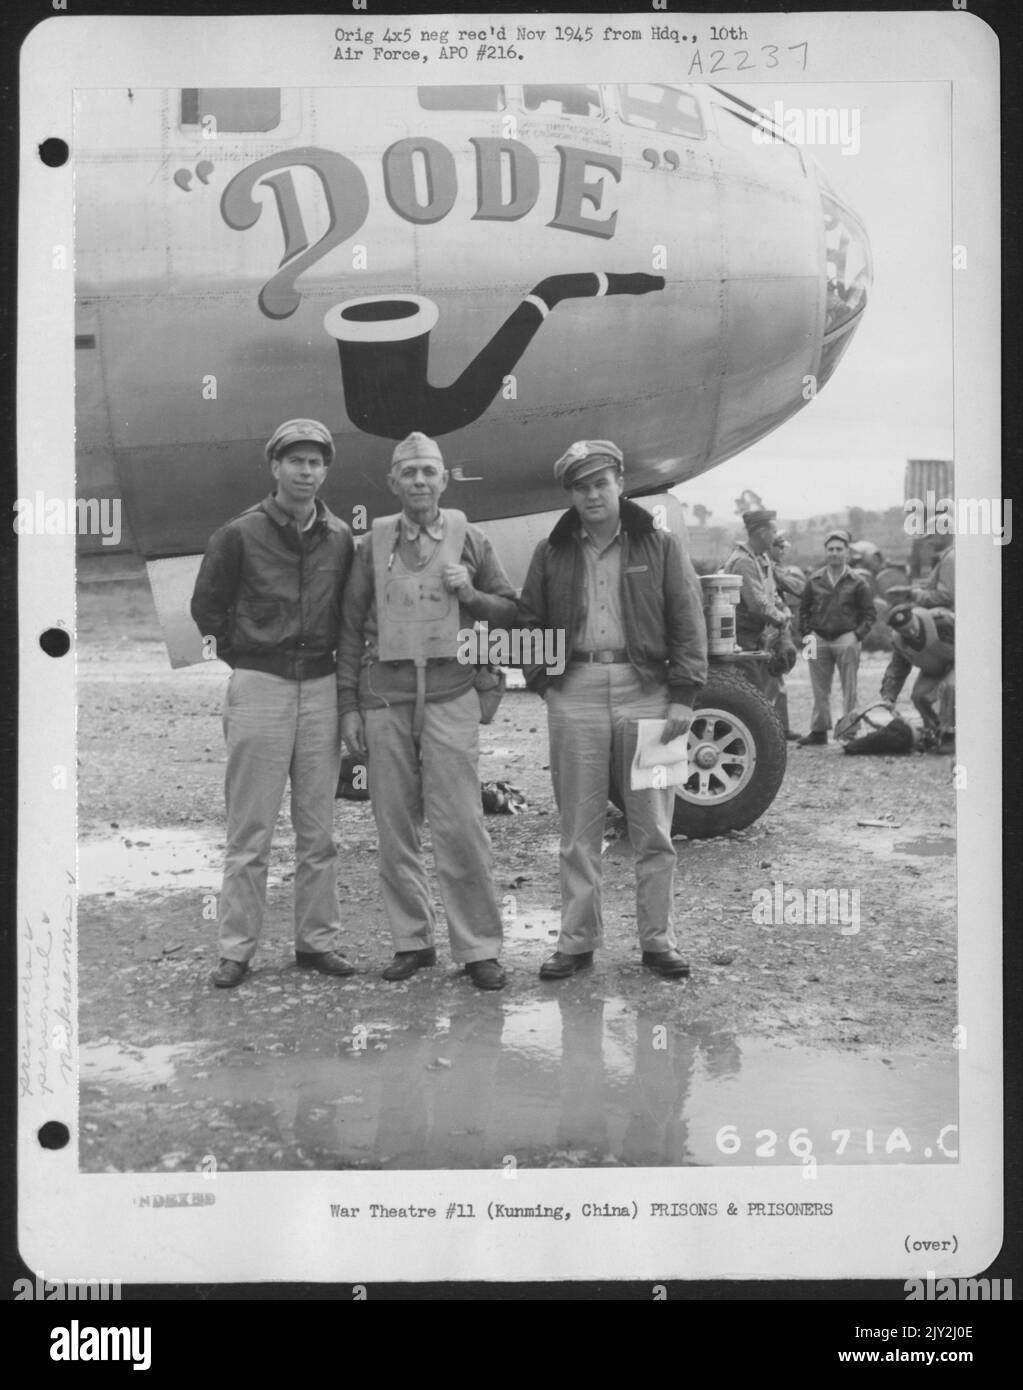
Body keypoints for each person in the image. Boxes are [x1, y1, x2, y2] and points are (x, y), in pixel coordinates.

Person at [517, 439, 708, 980]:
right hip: (574, 690)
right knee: (578, 828)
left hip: (648, 690)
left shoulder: (660, 546)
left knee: (656, 827)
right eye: (581, 486)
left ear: (620, 483)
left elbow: (687, 620)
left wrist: (684, 697)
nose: (592, 493)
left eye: (601, 482)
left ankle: (659, 941)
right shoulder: (551, 552)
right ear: (571, 494)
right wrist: (544, 684)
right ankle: (576, 942)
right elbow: (528, 621)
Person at [337, 431, 518, 991]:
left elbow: (510, 612)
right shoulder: (371, 545)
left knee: (461, 827)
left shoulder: (473, 540)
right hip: (384, 702)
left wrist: (470, 595)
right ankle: (411, 942)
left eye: (428, 472)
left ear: (444, 479)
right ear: (393, 483)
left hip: (450, 697)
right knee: (395, 829)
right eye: (408, 472)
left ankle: (479, 948)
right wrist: (348, 705)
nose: (419, 480)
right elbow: (348, 628)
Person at [190, 419, 356, 988]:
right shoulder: (239, 533)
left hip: (322, 687)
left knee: (319, 830)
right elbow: (206, 608)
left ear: (325, 470)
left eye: (316, 463)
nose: (306, 472)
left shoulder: (339, 537)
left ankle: (316, 943)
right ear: (275, 467)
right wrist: (248, 658)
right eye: (296, 462)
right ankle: (236, 950)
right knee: (250, 828)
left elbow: (348, 615)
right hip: (261, 683)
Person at [797, 528, 876, 746]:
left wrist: (856, 636)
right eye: (830, 549)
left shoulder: (857, 581)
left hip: (846, 637)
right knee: (818, 687)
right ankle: (819, 731)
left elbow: (869, 614)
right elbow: (803, 610)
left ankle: (849, 730)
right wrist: (807, 634)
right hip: (817, 639)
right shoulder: (814, 580)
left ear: (847, 553)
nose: (834, 553)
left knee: (849, 686)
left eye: (839, 549)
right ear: (825, 552)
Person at [723, 510, 792, 711]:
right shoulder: (743, 561)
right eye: (773, 531)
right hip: (742, 638)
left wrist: (782, 609)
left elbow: (771, 595)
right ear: (761, 532)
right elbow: (758, 604)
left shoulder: (760, 559)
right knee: (750, 697)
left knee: (757, 693)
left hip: (754, 637)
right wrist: (781, 618)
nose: (775, 536)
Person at [880, 603, 955, 751]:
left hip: (959, 662)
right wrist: (889, 695)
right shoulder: (900, 643)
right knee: (919, 696)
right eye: (906, 631)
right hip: (934, 668)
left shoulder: (942, 621)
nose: (912, 631)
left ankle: (949, 735)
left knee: (949, 687)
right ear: (898, 631)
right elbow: (897, 668)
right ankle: (935, 731)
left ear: (915, 617)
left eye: (913, 625)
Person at [768, 534, 806, 739]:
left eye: (784, 547)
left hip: (778, 626)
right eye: (779, 547)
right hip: (769, 628)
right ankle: (774, 728)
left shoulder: (772, 568)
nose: (783, 551)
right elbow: (799, 588)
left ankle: (781, 727)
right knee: (770, 679)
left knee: (777, 678)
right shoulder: (765, 568)